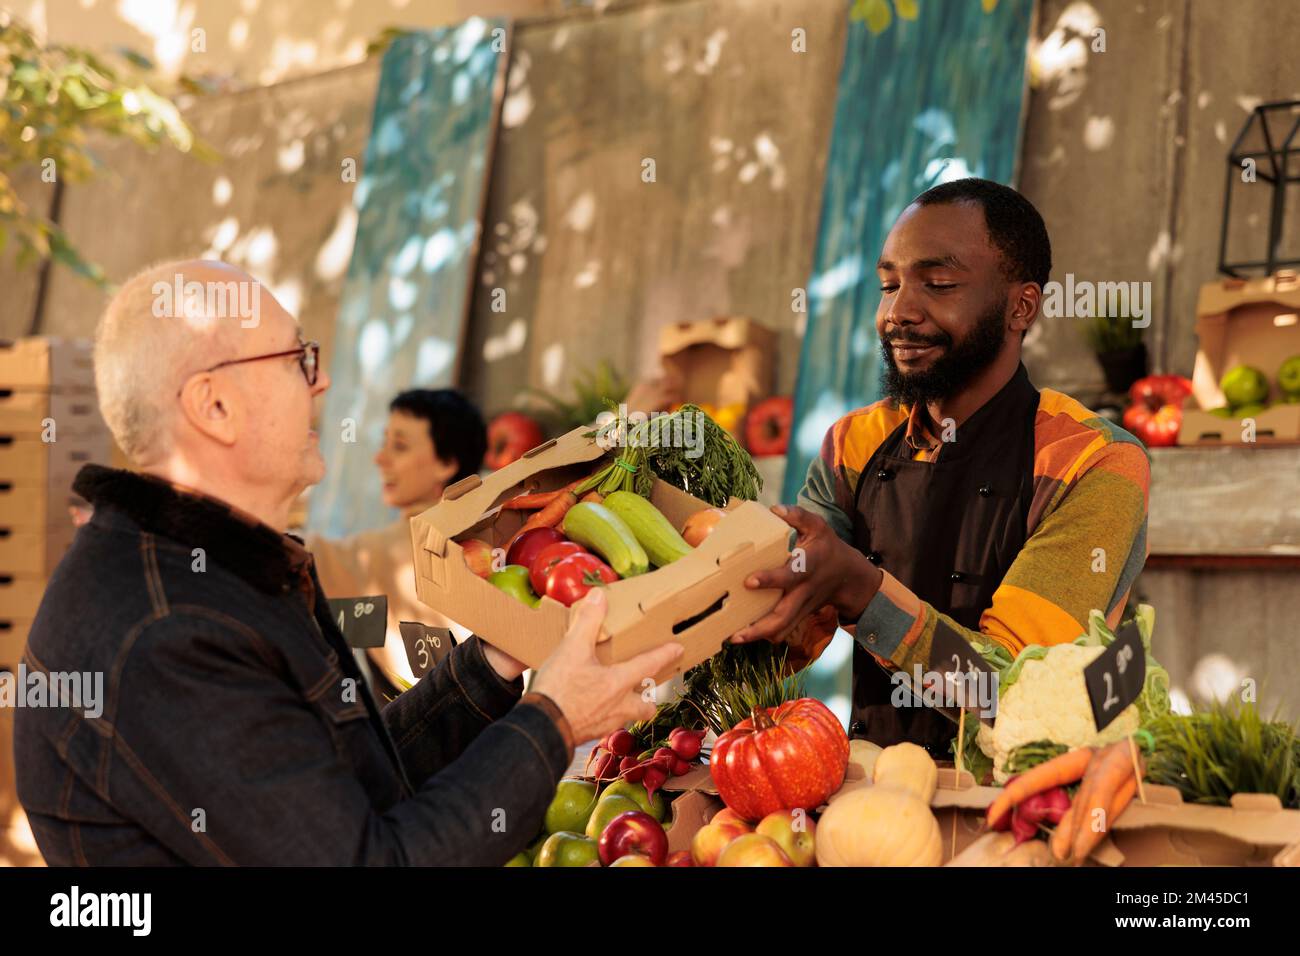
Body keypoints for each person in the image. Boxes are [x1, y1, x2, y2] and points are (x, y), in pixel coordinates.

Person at [13, 259, 681, 865]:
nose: (322, 379)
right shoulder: (167, 634)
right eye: (296, 358)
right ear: (214, 406)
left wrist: (491, 664)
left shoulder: (215, 568)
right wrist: (556, 718)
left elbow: (355, 789)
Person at [735, 178, 1150, 756]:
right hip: (876, 792)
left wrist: (860, 589)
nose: (898, 312)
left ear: (1020, 306)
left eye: (939, 284)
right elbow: (785, 629)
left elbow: (1010, 691)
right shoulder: (854, 442)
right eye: (889, 284)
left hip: (1022, 806)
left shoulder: (1092, 461)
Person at [307, 389, 487, 691]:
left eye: (399, 446)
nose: (380, 458)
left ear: (446, 464)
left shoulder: (387, 550)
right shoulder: (488, 527)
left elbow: (303, 562)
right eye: (385, 442)